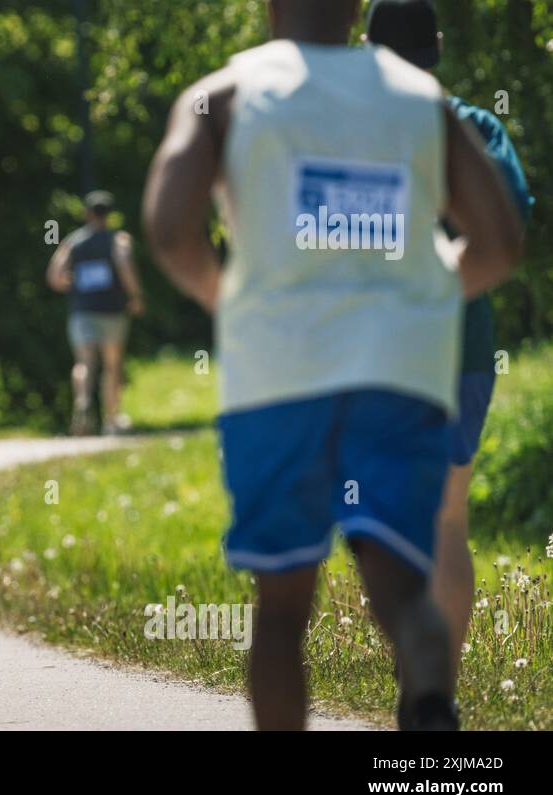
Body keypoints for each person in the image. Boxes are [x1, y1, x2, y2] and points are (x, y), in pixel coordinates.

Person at [142, 0, 522, 730]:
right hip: (400, 377)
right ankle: (430, 717)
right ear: (356, 9)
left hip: (277, 378)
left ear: (267, 4)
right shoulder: (422, 98)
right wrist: (420, 297)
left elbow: (167, 227)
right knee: (405, 587)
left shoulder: (222, 95)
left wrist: (231, 298)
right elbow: (500, 241)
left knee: (282, 607)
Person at [364, 0, 534, 689]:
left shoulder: (346, 129)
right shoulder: (475, 124)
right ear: (435, 45)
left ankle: (414, 676)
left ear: (367, 44)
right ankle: (434, 692)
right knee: (447, 517)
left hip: (369, 347)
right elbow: (510, 221)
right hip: (462, 343)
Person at [45, 190, 145, 436]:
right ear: (110, 214)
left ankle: (82, 401)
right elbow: (123, 265)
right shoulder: (118, 239)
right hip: (112, 310)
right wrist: (135, 296)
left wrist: (71, 284)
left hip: (83, 310)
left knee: (84, 362)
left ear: (86, 213)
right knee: (112, 366)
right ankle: (111, 420)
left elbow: (55, 276)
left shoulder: (73, 242)